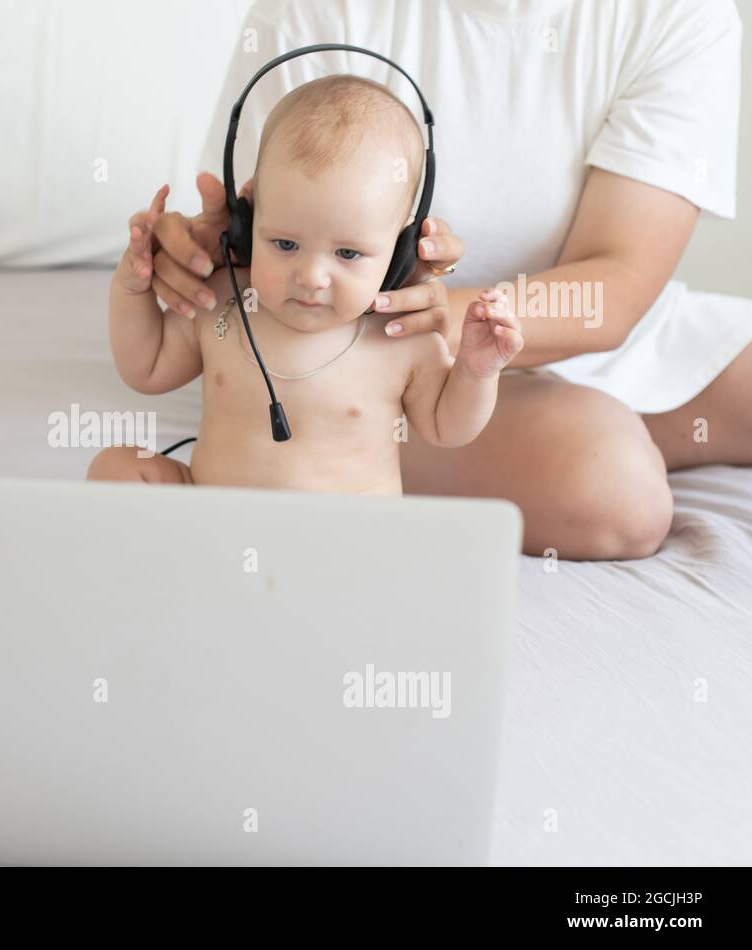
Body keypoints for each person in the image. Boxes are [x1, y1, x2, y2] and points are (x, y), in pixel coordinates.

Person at [138, 0, 747, 560]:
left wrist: (451, 312)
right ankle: (348, 437)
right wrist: (202, 253)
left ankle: (572, 419)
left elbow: (613, 289)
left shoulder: (681, 15)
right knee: (616, 488)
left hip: (508, 324)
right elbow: (272, 251)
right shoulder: (317, 12)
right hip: (367, 349)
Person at [91, 75, 524, 493]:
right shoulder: (224, 301)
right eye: (285, 243)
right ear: (247, 221)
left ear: (402, 248)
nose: (312, 277)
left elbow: (448, 426)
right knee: (117, 467)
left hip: (339, 537)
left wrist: (476, 370)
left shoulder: (400, 336)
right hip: (216, 520)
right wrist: (133, 288)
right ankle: (181, 559)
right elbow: (145, 368)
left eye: (348, 254)